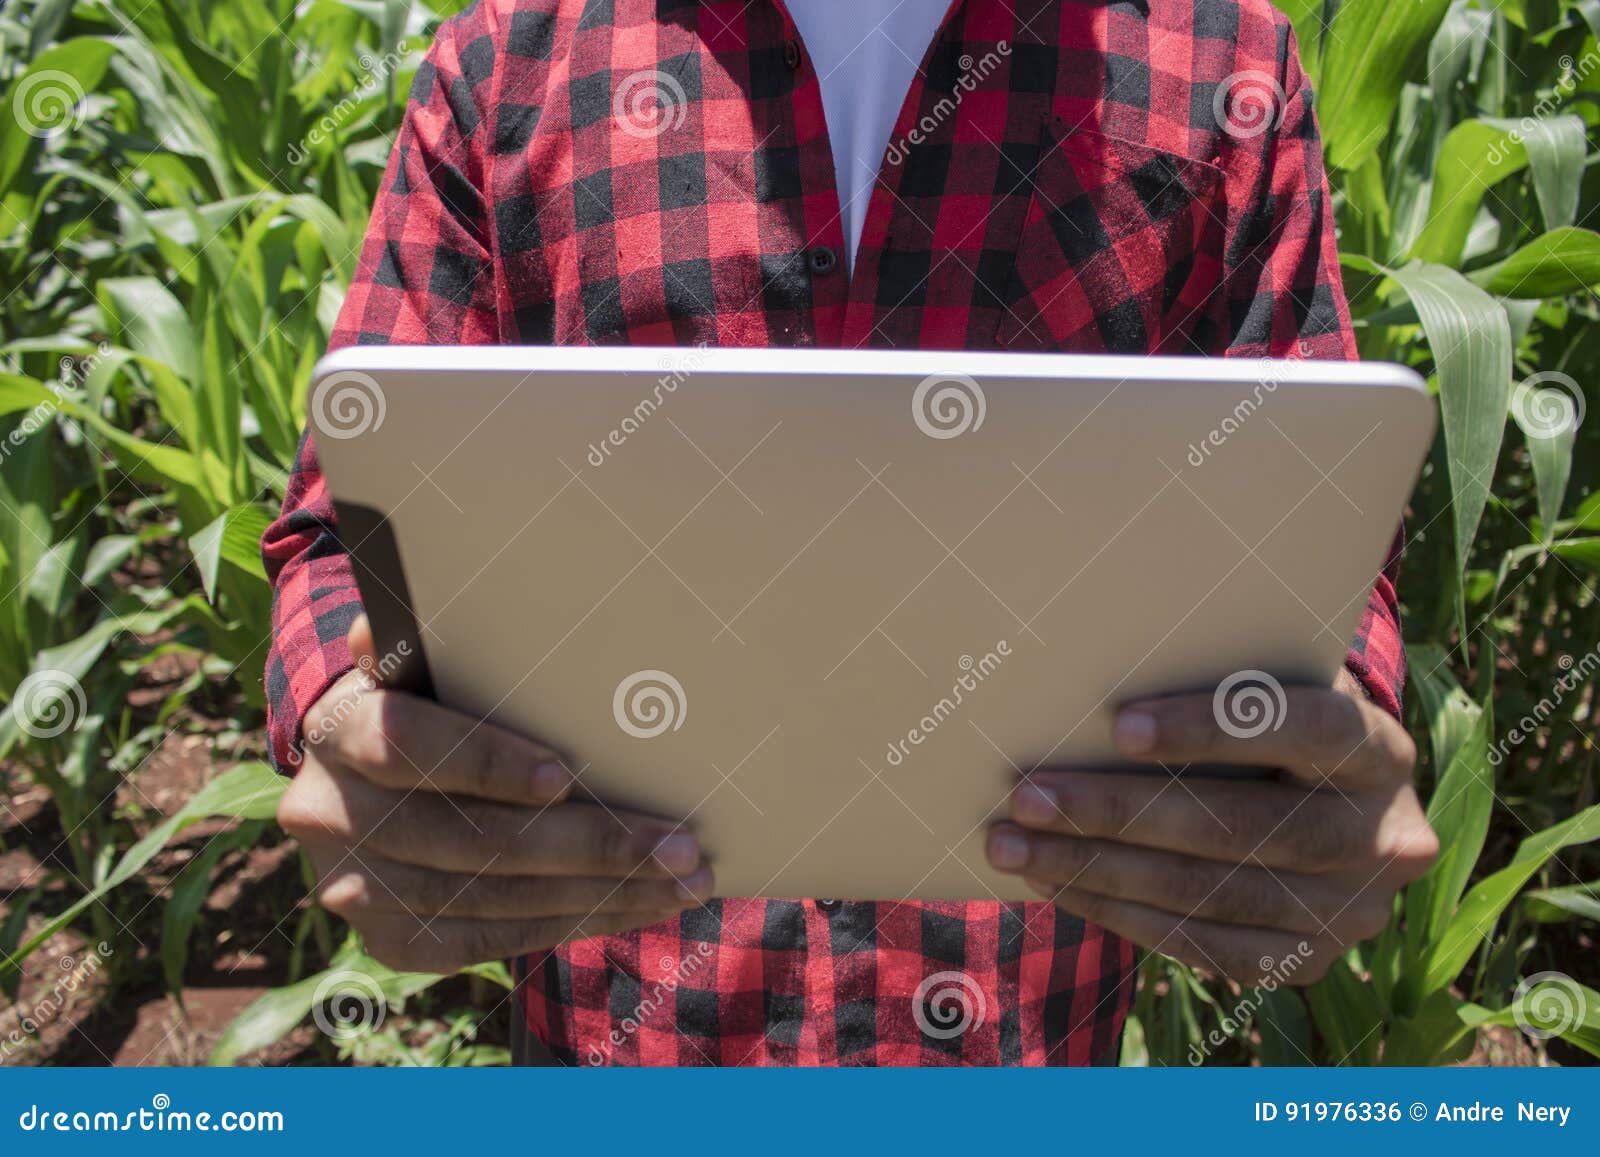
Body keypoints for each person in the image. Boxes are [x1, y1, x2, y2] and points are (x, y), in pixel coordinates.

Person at [264, 0, 1438, 1066]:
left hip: (1028, 1035)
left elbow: (1302, 495)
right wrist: (347, 714)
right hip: (620, 1036)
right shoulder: (507, 58)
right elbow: (346, 517)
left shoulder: (1219, 60)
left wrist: (1320, 753)